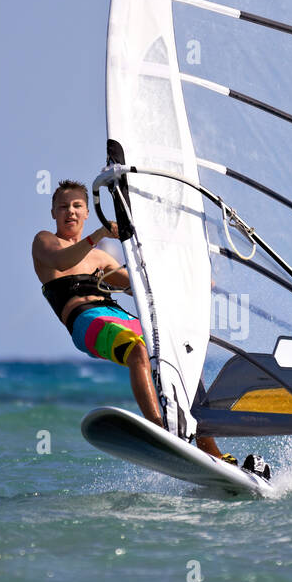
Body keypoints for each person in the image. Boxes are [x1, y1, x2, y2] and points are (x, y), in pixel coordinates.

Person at [33, 179, 255, 469]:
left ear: (87, 212)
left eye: (77, 206)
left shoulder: (101, 258)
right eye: (63, 206)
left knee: (182, 358)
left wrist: (191, 284)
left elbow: (142, 287)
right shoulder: (44, 241)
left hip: (119, 316)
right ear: (53, 212)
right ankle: (162, 432)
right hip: (85, 320)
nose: (70, 212)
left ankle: (208, 446)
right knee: (138, 351)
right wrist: (99, 234)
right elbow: (61, 262)